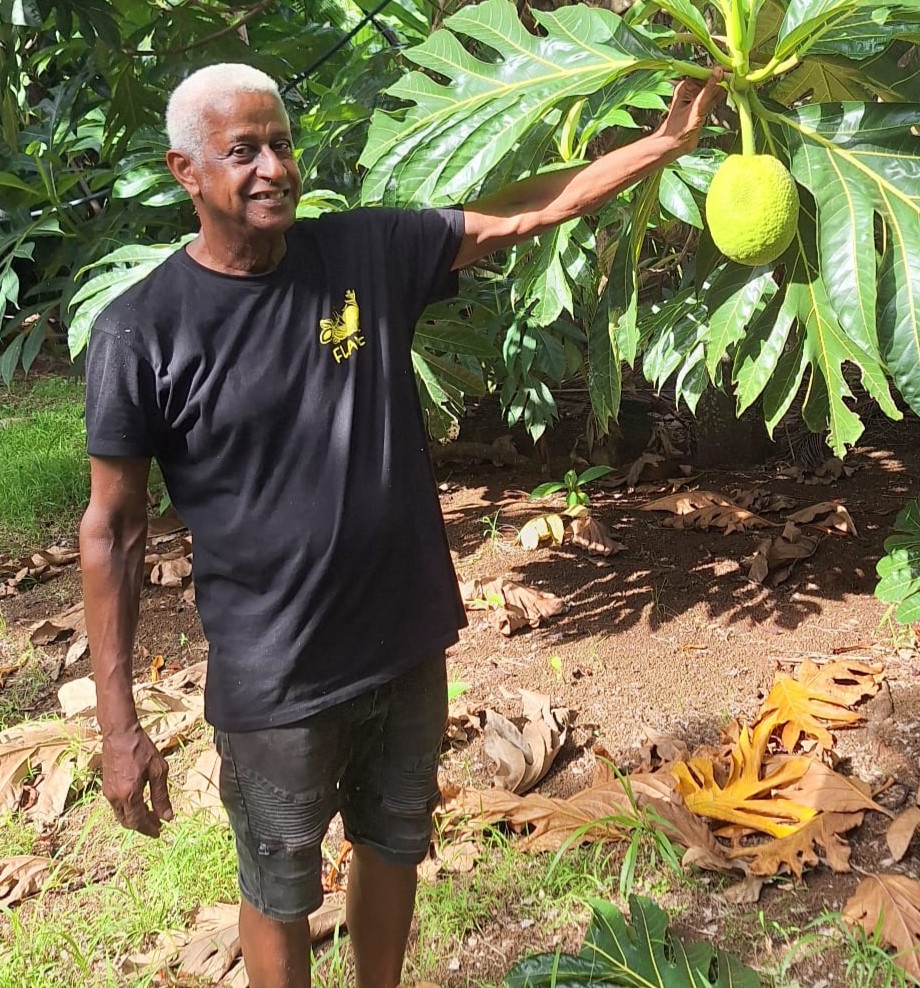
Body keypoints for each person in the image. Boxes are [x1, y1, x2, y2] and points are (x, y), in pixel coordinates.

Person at [79, 61, 722, 988]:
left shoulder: (362, 254)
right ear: (187, 173)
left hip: (405, 639)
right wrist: (116, 724)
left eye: (282, 145)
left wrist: (659, 145)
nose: (273, 168)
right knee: (280, 889)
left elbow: (517, 214)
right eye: (242, 151)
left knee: (394, 844)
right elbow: (113, 529)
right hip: (278, 675)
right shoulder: (142, 331)